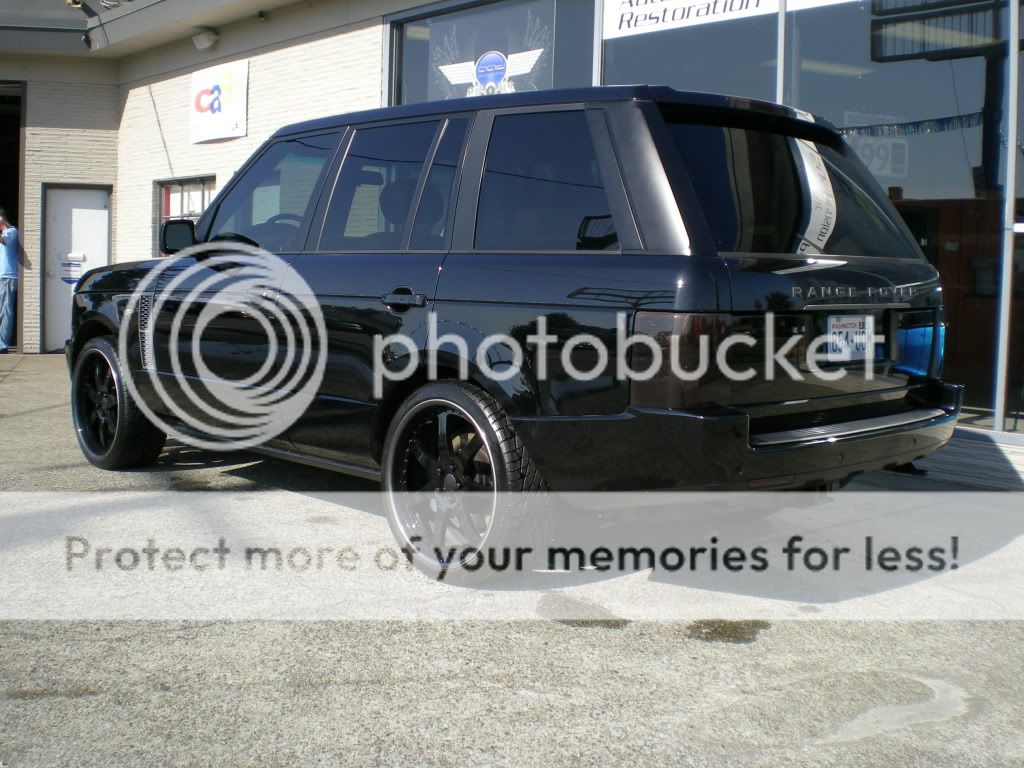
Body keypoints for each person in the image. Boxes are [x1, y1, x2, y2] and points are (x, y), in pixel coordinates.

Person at [0, 207, 19, 354]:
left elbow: (4, 240)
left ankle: (3, 344)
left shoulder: (11, 231)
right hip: (2, 276)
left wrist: (4, 224)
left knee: (6, 311)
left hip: (8, 277)